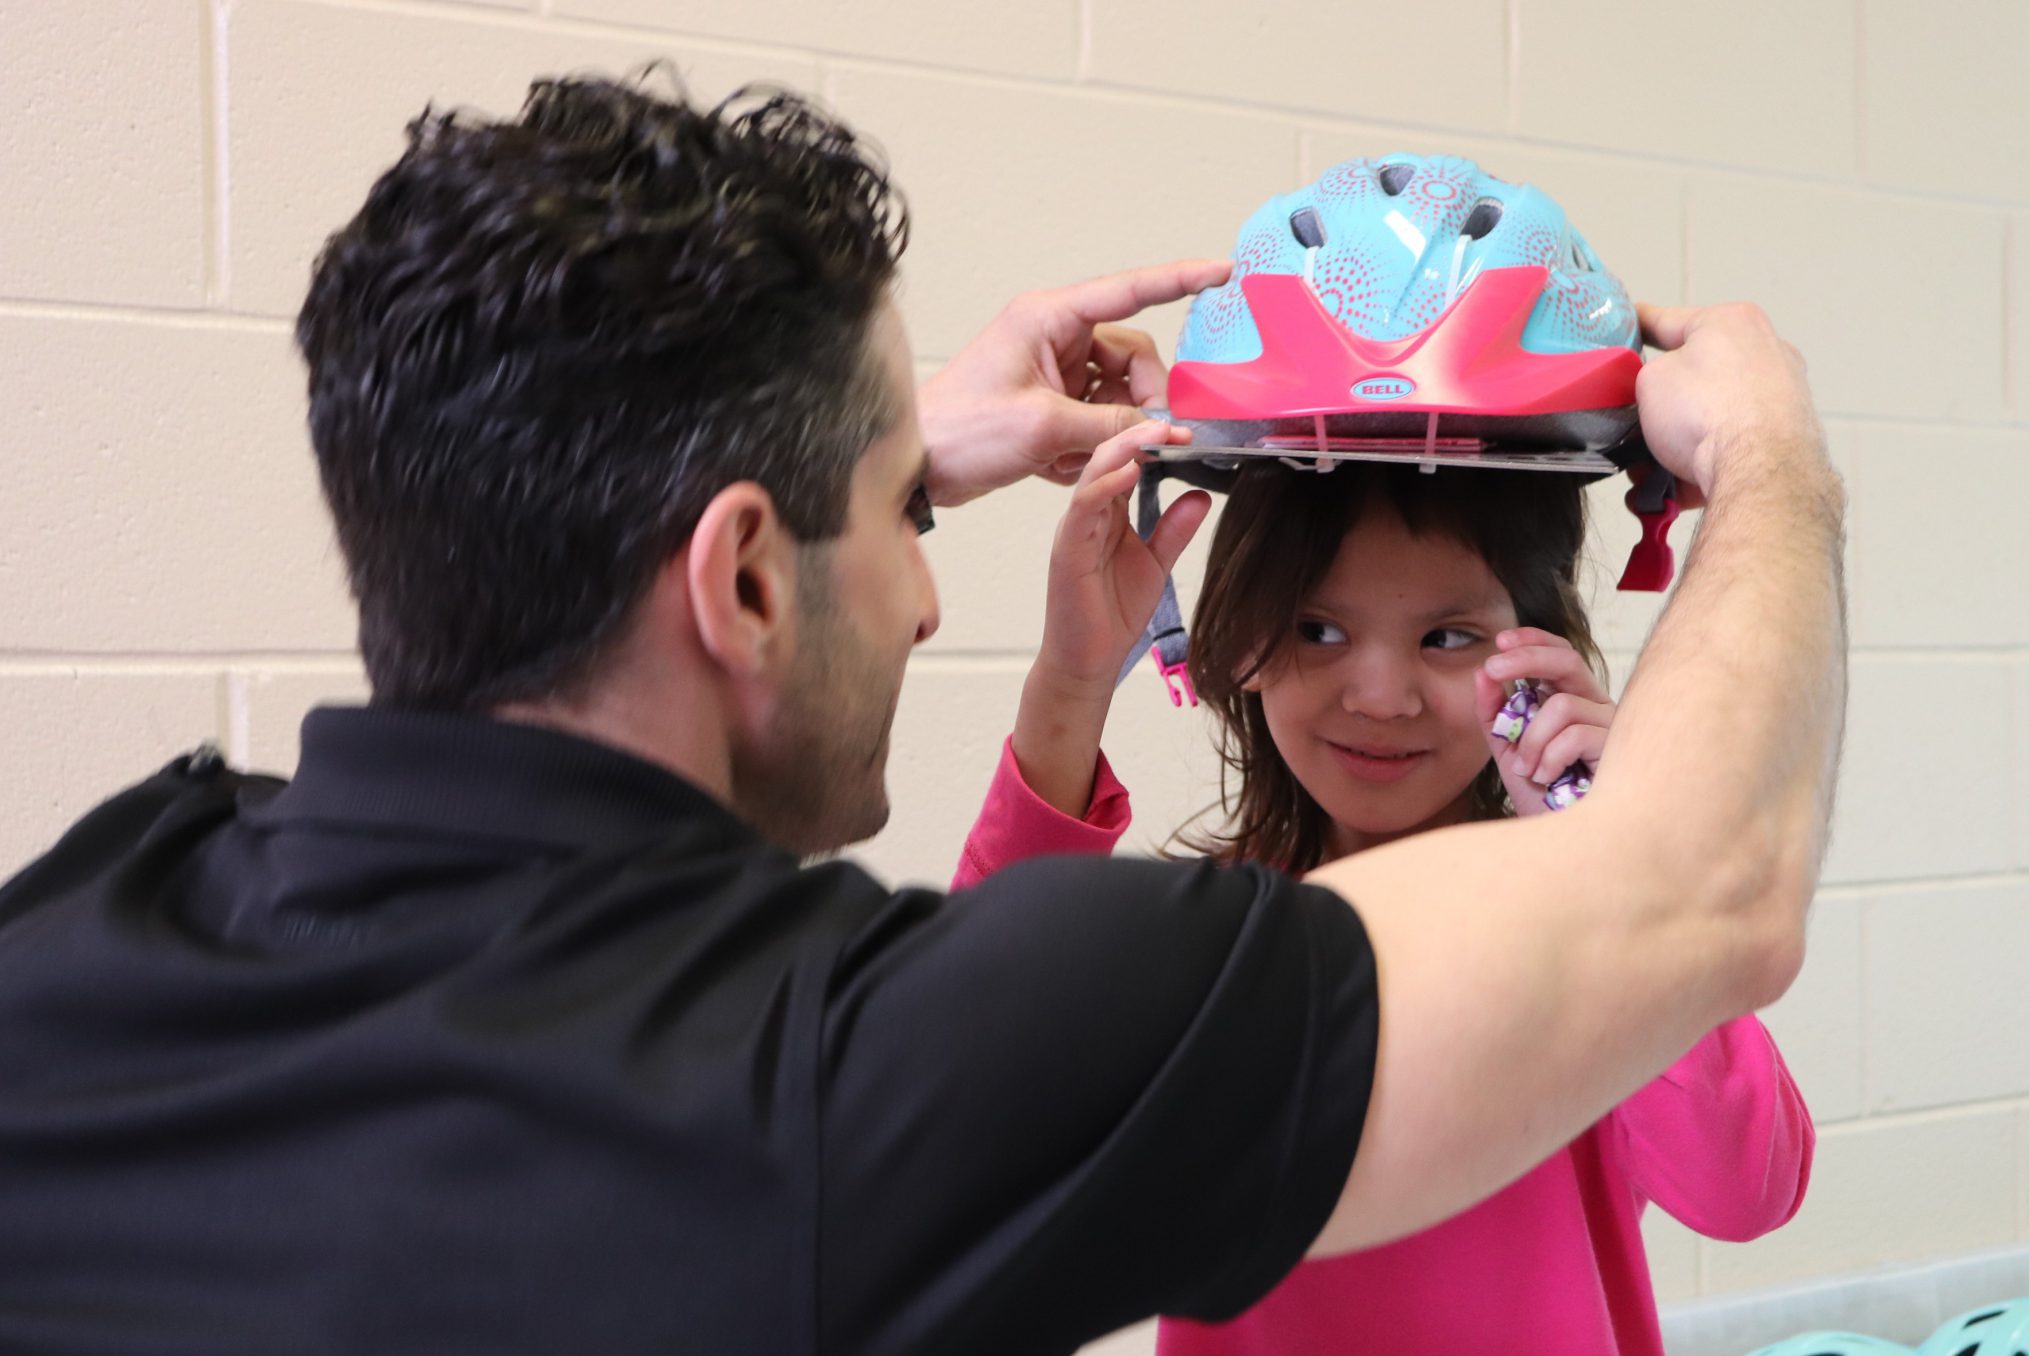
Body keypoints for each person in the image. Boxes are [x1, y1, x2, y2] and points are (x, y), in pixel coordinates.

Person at [0, 73, 1844, 1356]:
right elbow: (1703, 889)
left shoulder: (100, 903)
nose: (930, 574)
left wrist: (836, 474)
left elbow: (1736, 1159)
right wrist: (1768, 466)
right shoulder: (841, 1078)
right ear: (736, 581)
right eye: (904, 518)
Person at [955, 445, 1814, 1354]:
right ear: (1246, 640)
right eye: (1319, 629)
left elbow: (1747, 1192)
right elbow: (965, 1094)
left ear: (1534, 656)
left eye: (1446, 638)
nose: (1379, 697)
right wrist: (1071, 685)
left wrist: (1619, 851)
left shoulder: (1588, 930)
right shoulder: (1199, 945)